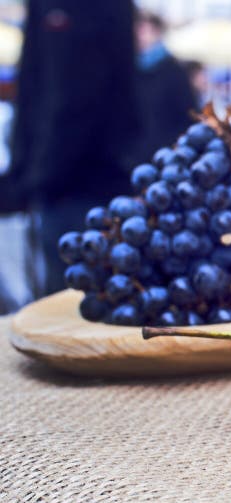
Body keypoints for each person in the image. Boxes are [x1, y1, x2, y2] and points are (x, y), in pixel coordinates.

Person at [0, 0, 140, 298]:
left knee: (69, 308)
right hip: (78, 185)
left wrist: (32, 180)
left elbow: (74, 100)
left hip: (80, 188)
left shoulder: (74, 8)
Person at [131, 10, 197, 164]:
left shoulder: (173, 70)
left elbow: (188, 115)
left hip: (165, 158)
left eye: (142, 29)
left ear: (156, 32)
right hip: (136, 158)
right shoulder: (132, 69)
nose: (137, 35)